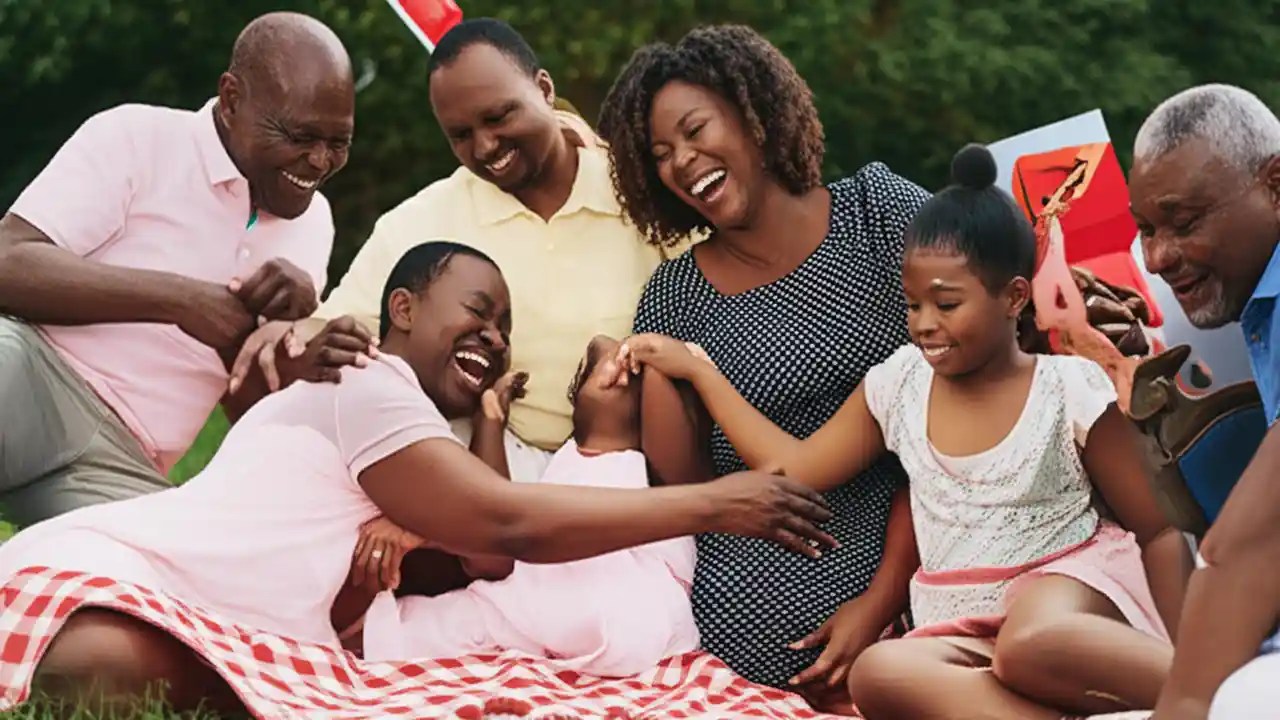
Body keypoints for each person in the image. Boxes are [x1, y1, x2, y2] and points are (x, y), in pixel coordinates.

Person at [0, 241, 835, 714]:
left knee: (156, 678)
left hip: (239, 628)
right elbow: (505, 524)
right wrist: (721, 503)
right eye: (479, 311)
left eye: (507, 327)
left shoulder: (411, 426)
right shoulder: (368, 381)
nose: (496, 338)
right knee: (97, 664)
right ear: (403, 310)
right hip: (127, 575)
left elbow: (489, 561)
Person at [596, 24, 1158, 699]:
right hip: (746, 590)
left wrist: (880, 600)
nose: (683, 160)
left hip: (930, 546)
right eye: (660, 153)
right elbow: (684, 488)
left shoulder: (877, 213)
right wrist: (641, 380)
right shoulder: (675, 295)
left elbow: (992, 310)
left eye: (696, 130)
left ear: (755, 118)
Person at [236, 18, 672, 487]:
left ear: (544, 89)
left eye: (499, 116)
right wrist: (291, 335)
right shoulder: (419, 220)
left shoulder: (643, 191)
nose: (485, 146)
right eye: (460, 135)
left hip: (634, 463)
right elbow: (335, 335)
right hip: (484, 458)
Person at [0, 12, 360, 527]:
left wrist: (288, 347)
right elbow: (8, 261)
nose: (319, 161)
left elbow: (244, 404)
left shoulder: (314, 222)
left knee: (160, 594)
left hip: (127, 461)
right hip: (32, 379)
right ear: (233, 99)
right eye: (300, 136)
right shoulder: (139, 136)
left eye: (339, 142)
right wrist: (181, 301)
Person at [346, 334, 707, 678]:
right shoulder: (566, 461)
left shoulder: (655, 470)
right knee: (433, 620)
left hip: (627, 615)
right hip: (535, 604)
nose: (619, 368)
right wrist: (489, 422)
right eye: (603, 364)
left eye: (631, 365)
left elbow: (515, 531)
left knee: (524, 587)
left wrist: (654, 356)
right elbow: (498, 516)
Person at [1128, 84, 1280, 720]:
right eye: (1146, 230)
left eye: (1184, 223)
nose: (1159, 257)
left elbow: (1245, 544)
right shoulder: (1253, 311)